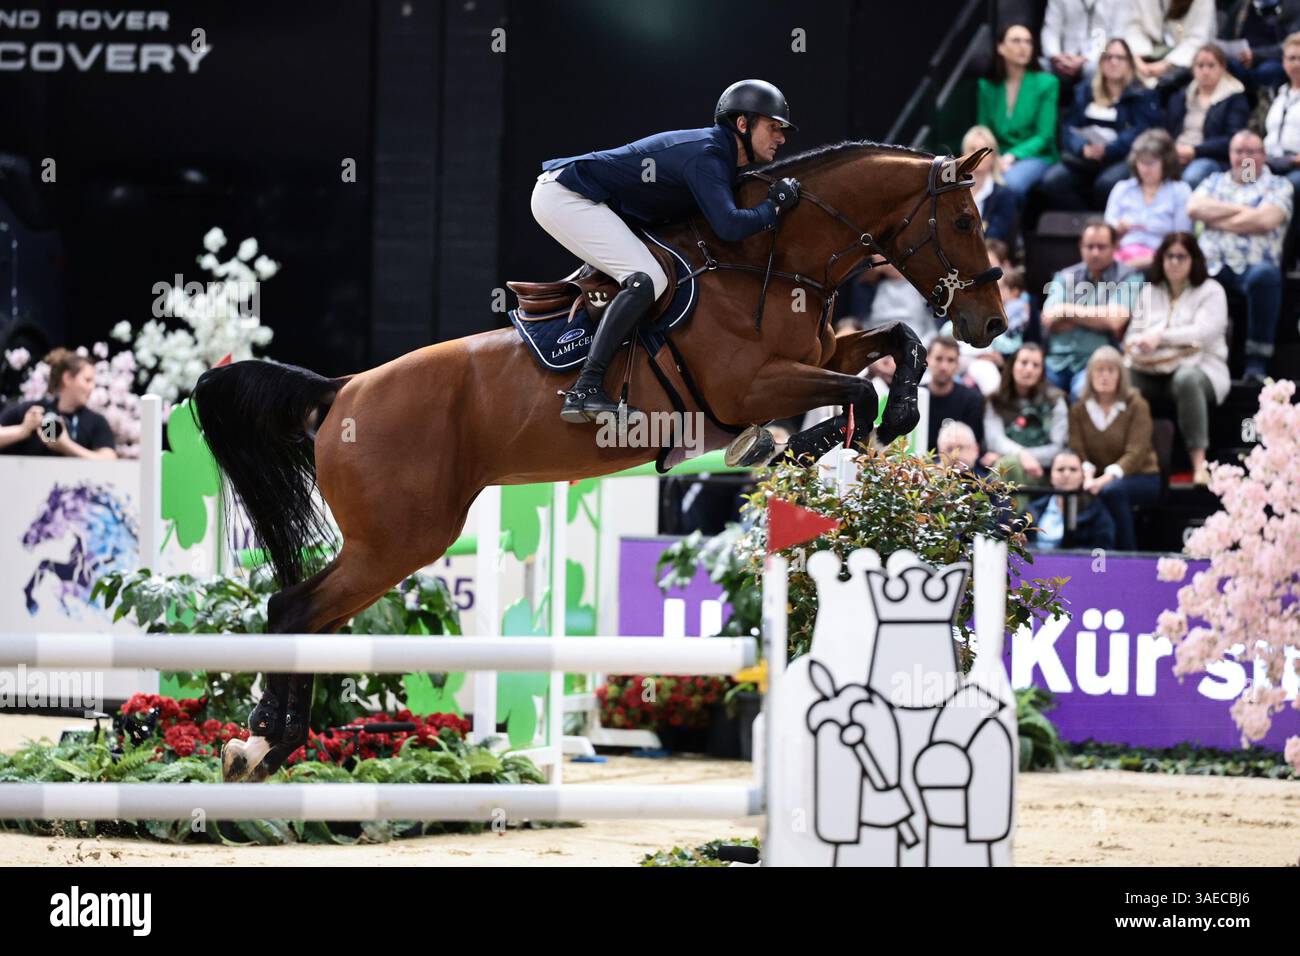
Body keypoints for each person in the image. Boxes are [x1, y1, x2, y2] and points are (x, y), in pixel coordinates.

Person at [533, 79, 801, 423]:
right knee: (647, 279)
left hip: (588, 200)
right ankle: (585, 388)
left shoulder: (719, 158)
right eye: (773, 127)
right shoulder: (708, 155)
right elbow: (731, 227)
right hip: (566, 195)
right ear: (743, 124)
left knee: (665, 275)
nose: (781, 138)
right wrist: (773, 208)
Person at [1122, 232, 1229, 483]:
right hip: (1153, 368)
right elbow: (1131, 335)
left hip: (1202, 368)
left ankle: (1199, 464)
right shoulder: (1150, 292)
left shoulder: (1211, 290)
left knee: (1186, 379)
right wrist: (1139, 343)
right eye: (1169, 256)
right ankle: (1126, 459)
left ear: (1194, 260)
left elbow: (1203, 334)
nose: (1174, 262)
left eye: (1181, 256)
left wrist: (1160, 337)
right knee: (1121, 377)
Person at [1187, 129, 1293, 382]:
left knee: (1265, 276)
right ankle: (1195, 358)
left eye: (1251, 152)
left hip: (1253, 266)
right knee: (1188, 271)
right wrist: (1247, 212)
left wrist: (1217, 218)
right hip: (1213, 265)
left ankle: (1256, 363)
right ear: (1229, 154)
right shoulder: (1213, 181)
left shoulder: (1279, 185)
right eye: (1239, 151)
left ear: (1264, 155)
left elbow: (1267, 220)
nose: (1244, 157)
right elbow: (1195, 207)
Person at [1037, 38, 1161, 210]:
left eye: (1120, 58)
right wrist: (1082, 148)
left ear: (1130, 64)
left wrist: (1108, 150)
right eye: (1108, 57)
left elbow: (1141, 131)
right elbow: (1068, 127)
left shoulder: (1141, 94)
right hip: (1084, 157)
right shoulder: (1085, 90)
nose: (1113, 62)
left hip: (1123, 157)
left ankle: (1105, 230)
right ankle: (1082, 226)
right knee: (1053, 181)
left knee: (1106, 184)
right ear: (1101, 62)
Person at [1067, 346, 1162, 551]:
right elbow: (1077, 448)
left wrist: (1102, 481)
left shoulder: (1137, 405)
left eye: (1111, 371)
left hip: (1142, 476)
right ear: (1090, 375)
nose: (1104, 376)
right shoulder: (1079, 410)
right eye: (1099, 370)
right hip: (1097, 478)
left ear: (1121, 376)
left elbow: (1136, 453)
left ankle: (1128, 555)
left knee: (1112, 491)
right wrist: (1088, 475)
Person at [1041, 220, 1140, 400]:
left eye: (1101, 247)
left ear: (1115, 247)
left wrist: (1065, 310)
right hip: (1056, 362)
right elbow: (1048, 318)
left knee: (1082, 393)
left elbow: (1114, 320)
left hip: (1098, 362)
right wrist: (1096, 319)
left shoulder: (1129, 277)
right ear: (1081, 246)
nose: (1095, 253)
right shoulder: (1065, 276)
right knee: (1036, 394)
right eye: (1090, 246)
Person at [977, 24, 1061, 204]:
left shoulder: (1047, 83)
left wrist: (1011, 156)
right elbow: (983, 131)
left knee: (1009, 184)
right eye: (1016, 41)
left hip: (1034, 156)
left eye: (1028, 42)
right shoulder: (987, 87)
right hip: (996, 155)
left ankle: (1005, 233)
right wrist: (992, 157)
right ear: (1000, 47)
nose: (1024, 47)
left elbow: (1044, 136)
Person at [980, 343, 1069, 502]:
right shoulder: (995, 399)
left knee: (1006, 463)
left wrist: (1023, 456)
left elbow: (1057, 448)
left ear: (1042, 371)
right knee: (1007, 465)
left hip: (1041, 472)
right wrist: (1022, 455)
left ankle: (1002, 521)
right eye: (1024, 362)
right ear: (1013, 365)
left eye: (1035, 365)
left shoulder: (1056, 401)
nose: (1029, 369)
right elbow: (995, 440)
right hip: (1006, 467)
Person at [0, 348, 117, 459]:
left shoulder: (95, 421)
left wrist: (66, 445)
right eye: (87, 380)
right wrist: (22, 430)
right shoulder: (33, 410)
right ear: (67, 378)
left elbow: (109, 461)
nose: (92, 387)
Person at [1103, 128, 1193, 268]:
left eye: (1151, 163)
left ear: (1165, 162)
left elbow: (1181, 239)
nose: (1145, 169)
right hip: (1121, 259)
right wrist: (1117, 230)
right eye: (1141, 162)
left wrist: (1150, 261)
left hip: (1162, 262)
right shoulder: (1122, 188)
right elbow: (1105, 234)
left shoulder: (1180, 191)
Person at [1164, 44, 1251, 189]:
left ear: (1222, 68)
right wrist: (1171, 151)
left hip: (1211, 157)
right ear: (1193, 69)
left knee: (1192, 177)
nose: (1205, 71)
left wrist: (1195, 151)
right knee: (1145, 170)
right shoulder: (1180, 96)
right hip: (1176, 153)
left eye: (1211, 66)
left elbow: (1233, 139)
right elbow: (1166, 130)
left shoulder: (1235, 98)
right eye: (1200, 66)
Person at [1025, 450, 1118, 550]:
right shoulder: (1033, 509)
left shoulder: (1096, 511)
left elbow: (1102, 550)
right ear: (1051, 476)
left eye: (1073, 469)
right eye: (1060, 469)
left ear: (1082, 476)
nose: (1066, 474)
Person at [1124, 0, 1217, 89]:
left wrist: (1166, 65)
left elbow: (1198, 38)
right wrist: (1137, 59)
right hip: (1143, 59)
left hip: (1183, 64)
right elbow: (1134, 26)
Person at [1039, 0, 1127, 85]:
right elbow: (1051, 29)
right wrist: (1056, 57)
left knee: (1092, 69)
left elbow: (1115, 34)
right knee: (1042, 65)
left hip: (1097, 57)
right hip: (1064, 57)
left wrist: (1086, 59)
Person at [923, 335, 985, 452]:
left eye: (950, 360)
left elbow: (973, 447)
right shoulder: (913, 397)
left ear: (957, 365)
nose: (944, 366)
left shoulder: (972, 400)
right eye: (938, 358)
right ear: (927, 360)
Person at [1223, 0, 1300, 92]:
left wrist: (1255, 55)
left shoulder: (1292, 6)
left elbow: (1291, 44)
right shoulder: (1241, 6)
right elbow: (1225, 37)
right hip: (1241, 58)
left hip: (1274, 58)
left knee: (1269, 70)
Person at [961, 126, 1018, 243]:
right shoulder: (952, 193)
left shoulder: (1004, 195)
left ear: (993, 157)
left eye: (984, 150)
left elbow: (996, 236)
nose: (978, 155)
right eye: (972, 149)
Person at [1262, 31, 1300, 196]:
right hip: (1267, 160)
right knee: (1243, 175)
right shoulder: (1276, 94)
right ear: (1283, 62)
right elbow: (1254, 133)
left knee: (1288, 186)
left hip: (1294, 164)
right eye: (1292, 58)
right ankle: (1239, 218)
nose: (1297, 64)